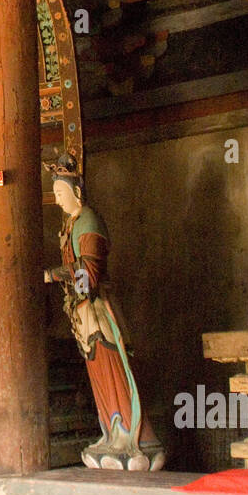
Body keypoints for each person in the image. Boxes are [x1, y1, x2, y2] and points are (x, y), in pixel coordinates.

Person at [45, 154, 164, 471]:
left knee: (114, 369)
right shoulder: (71, 223)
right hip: (83, 312)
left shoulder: (88, 220)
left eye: (60, 194)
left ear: (76, 193)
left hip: (98, 309)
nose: (57, 201)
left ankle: (136, 437)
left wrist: (56, 274)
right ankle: (113, 434)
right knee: (98, 373)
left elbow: (90, 272)